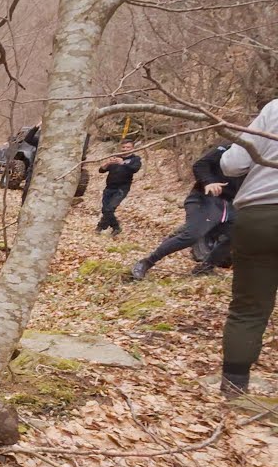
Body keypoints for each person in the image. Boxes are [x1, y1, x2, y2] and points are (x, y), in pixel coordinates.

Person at [219, 98, 278, 398]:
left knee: (248, 309)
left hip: (261, 213)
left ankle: (233, 387)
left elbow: (232, 164)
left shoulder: (274, 109)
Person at [130, 144, 242, 280]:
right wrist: (209, 182)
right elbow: (200, 164)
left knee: (237, 234)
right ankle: (146, 262)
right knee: (192, 235)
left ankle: (206, 267)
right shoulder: (230, 148)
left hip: (230, 204)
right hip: (205, 197)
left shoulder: (262, 160)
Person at [96, 139, 142, 235]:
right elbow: (101, 170)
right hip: (109, 187)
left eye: (128, 147)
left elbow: (135, 169)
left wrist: (123, 163)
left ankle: (109, 227)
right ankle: (104, 226)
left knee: (110, 209)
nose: (125, 149)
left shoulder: (135, 159)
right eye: (123, 147)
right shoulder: (116, 157)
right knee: (105, 209)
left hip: (121, 188)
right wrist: (108, 163)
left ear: (133, 148)